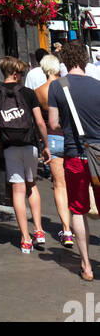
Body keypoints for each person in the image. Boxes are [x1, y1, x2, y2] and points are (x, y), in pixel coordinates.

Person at [47, 41, 100, 282]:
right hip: (99, 155)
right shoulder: (98, 86)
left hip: (75, 155)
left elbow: (53, 124)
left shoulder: (59, 87)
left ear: (64, 62)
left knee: (77, 210)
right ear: (86, 60)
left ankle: (87, 266)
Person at [0, 56, 50, 255]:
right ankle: (39, 231)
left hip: (9, 145)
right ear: (15, 74)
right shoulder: (28, 93)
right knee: (31, 186)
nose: (23, 77)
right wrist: (46, 144)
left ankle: (25, 239)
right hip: (29, 143)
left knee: (17, 190)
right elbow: (40, 122)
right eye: (21, 73)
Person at [34, 54, 74, 249]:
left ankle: (66, 230)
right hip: (71, 138)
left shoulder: (38, 91)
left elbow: (39, 120)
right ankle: (77, 225)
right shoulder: (67, 85)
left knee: (59, 185)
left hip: (52, 139)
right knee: (75, 183)